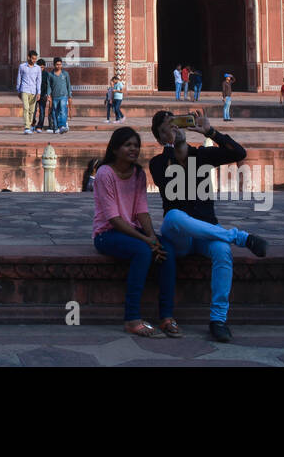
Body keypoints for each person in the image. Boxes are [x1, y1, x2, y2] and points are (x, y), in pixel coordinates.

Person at [149, 110, 269, 342]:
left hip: (206, 231)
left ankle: (218, 320)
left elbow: (239, 153)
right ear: (161, 139)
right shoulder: (158, 163)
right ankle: (239, 237)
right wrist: (176, 150)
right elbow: (170, 184)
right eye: (167, 128)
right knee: (173, 215)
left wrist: (211, 132)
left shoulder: (202, 156)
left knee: (222, 250)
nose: (175, 130)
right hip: (179, 237)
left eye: (176, 124)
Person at [92, 126, 178, 337]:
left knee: (167, 249)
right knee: (142, 251)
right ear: (115, 149)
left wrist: (153, 238)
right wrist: (147, 241)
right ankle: (132, 318)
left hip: (133, 231)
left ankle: (166, 317)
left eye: (136, 146)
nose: (133, 149)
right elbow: (114, 218)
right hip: (107, 234)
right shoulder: (105, 173)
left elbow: (141, 211)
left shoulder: (138, 174)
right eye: (128, 145)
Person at [44, 57, 72, 134]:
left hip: (64, 95)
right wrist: (48, 95)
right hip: (54, 96)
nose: (58, 66)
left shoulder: (65, 74)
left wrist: (70, 95)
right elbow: (49, 86)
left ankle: (62, 126)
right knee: (54, 111)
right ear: (54, 65)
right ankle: (56, 127)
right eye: (57, 64)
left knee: (63, 110)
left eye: (60, 64)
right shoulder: (50, 75)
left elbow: (68, 85)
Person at [16, 50, 41, 135]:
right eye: (33, 58)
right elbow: (19, 78)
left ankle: (29, 125)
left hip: (33, 91)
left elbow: (38, 81)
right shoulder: (22, 66)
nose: (34, 60)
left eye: (35, 59)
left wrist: (39, 92)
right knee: (26, 108)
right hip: (24, 89)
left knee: (32, 110)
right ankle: (27, 127)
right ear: (28, 57)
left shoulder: (37, 68)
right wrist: (18, 90)